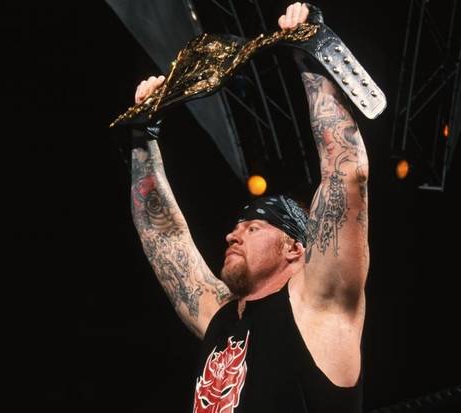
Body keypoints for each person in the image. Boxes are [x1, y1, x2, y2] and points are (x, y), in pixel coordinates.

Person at [128, 3, 369, 411]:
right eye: (238, 227)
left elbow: (345, 172)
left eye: (253, 227)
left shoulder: (319, 305)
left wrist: (310, 50)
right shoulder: (219, 316)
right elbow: (163, 237)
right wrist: (142, 136)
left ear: (294, 247)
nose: (231, 235)